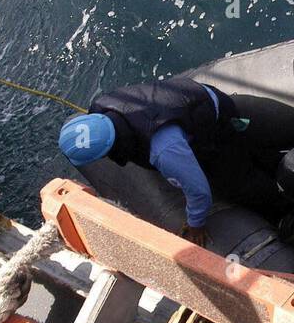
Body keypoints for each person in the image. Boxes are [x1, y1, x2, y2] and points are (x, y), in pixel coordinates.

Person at [58, 76, 280, 246]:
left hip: (212, 120)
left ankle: (283, 204)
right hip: (188, 100)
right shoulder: (104, 104)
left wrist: (195, 225)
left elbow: (199, 191)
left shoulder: (163, 149)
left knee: (237, 181)